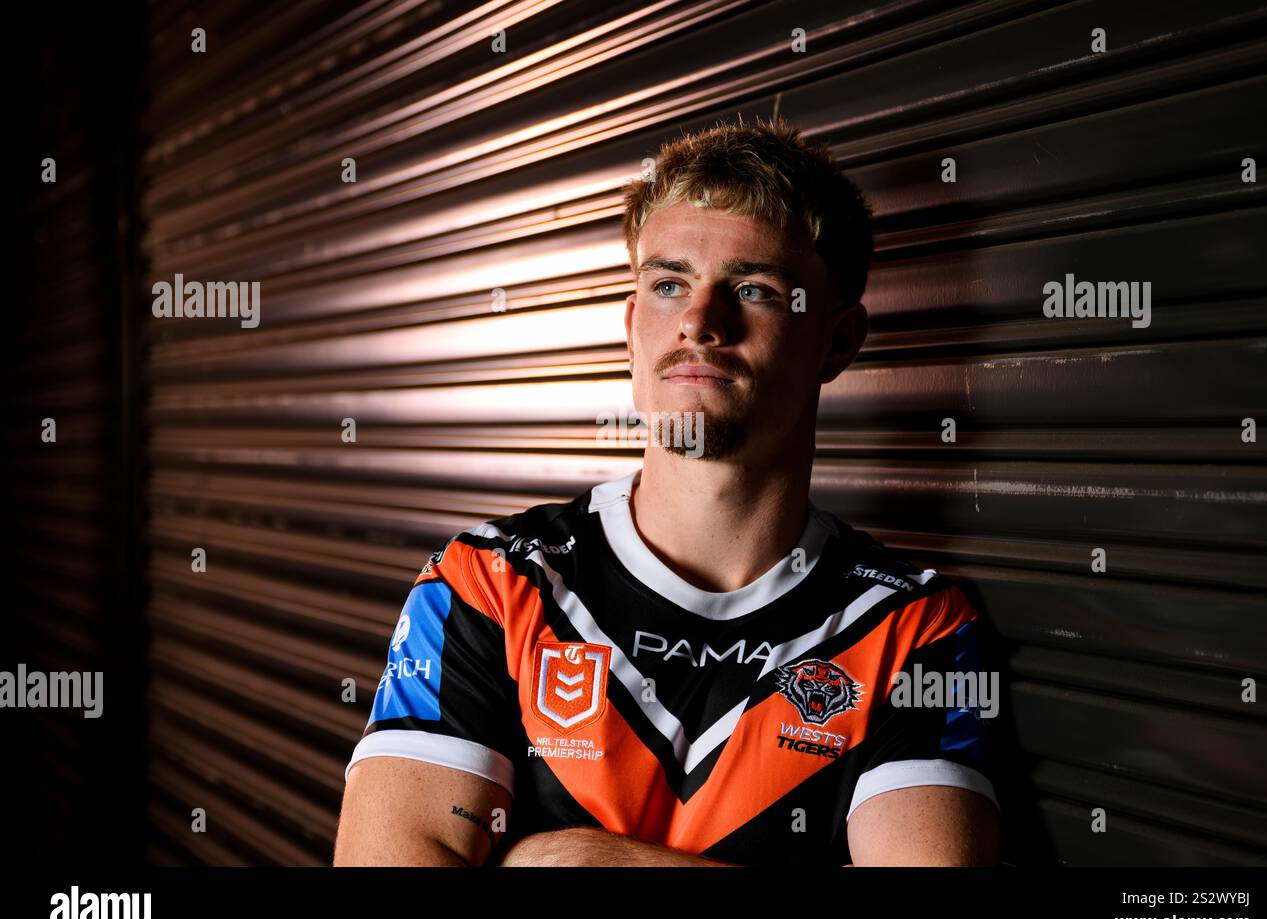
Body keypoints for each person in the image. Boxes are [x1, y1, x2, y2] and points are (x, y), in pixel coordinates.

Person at [333, 116, 1001, 866]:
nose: (698, 322)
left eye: (753, 289)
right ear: (631, 326)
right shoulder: (492, 584)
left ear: (837, 341)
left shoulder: (912, 628)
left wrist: (584, 861)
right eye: (669, 284)